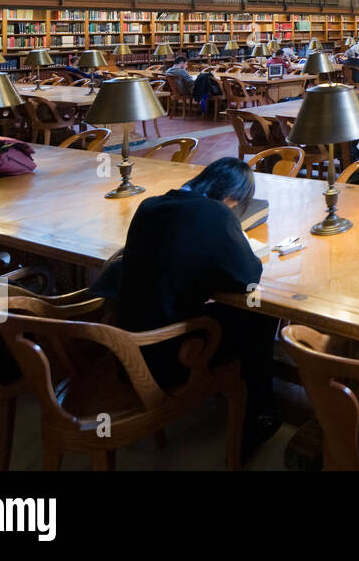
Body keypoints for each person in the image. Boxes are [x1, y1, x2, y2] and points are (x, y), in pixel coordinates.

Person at [91, 158, 280, 455]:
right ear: (233, 196)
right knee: (262, 315)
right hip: (168, 358)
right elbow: (246, 278)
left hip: (127, 352)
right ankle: (256, 416)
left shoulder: (150, 205)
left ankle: (248, 403)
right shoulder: (215, 212)